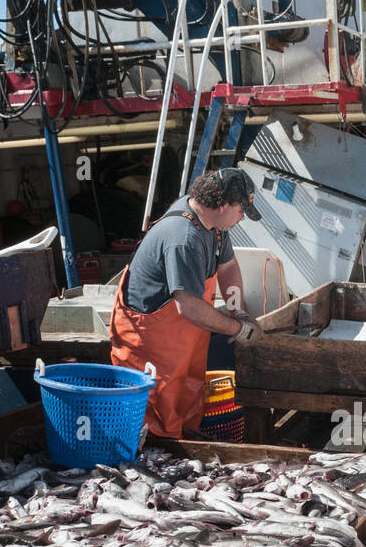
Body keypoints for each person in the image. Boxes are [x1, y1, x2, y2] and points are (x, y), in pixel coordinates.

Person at [110, 168, 263, 440]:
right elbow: (189, 306)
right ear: (224, 203)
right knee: (157, 412)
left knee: (189, 394)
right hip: (151, 340)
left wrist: (237, 309)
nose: (242, 218)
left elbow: (227, 267)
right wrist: (236, 329)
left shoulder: (215, 225)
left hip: (186, 334)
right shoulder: (184, 236)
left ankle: (186, 451)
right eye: (241, 211)